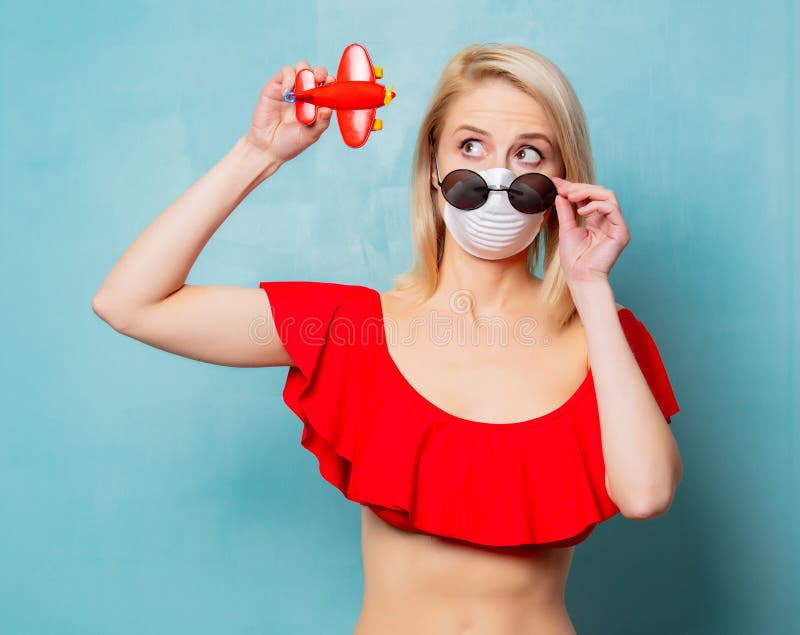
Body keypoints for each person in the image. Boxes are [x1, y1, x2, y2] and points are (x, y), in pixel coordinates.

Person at [93, 42, 682, 634]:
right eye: (470, 145)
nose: (496, 174)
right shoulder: (352, 331)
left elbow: (646, 494)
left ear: (562, 182)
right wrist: (258, 154)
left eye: (528, 152)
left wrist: (590, 288)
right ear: (432, 167)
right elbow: (130, 303)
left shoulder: (605, 341)